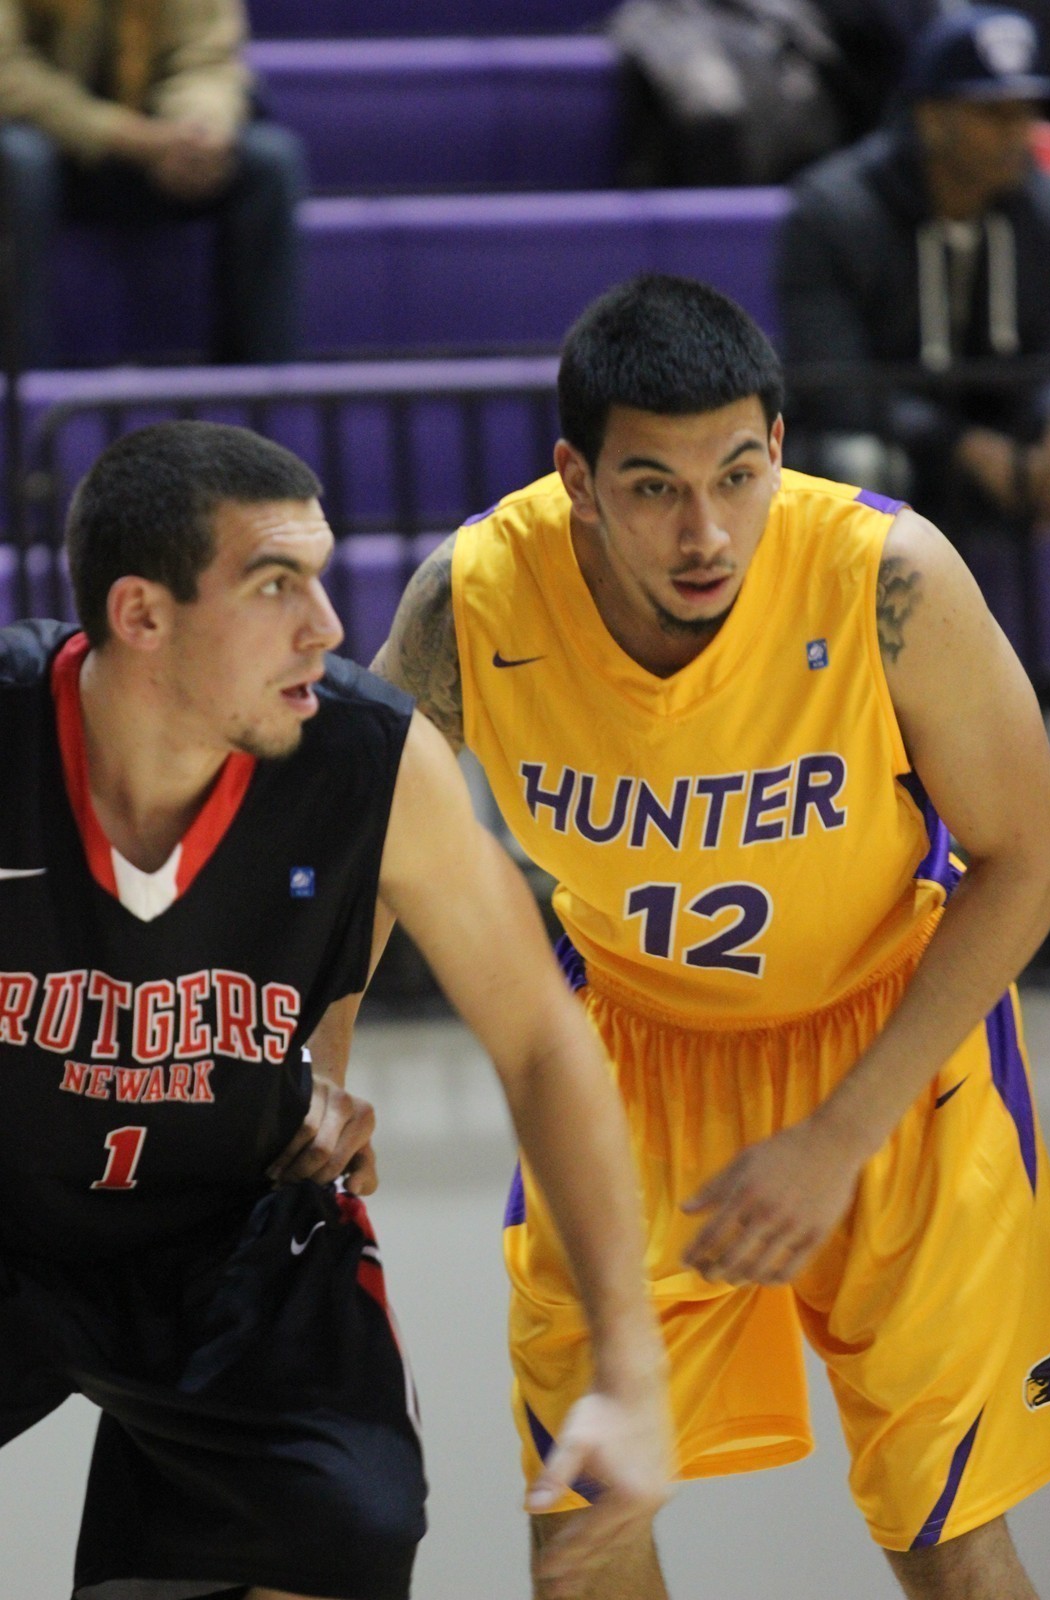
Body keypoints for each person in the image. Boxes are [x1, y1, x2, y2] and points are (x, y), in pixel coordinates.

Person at [371, 271, 1050, 1600]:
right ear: (576, 479)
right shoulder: (474, 599)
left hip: (892, 1048)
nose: (705, 531)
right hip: (628, 1061)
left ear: (778, 450)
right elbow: (357, 841)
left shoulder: (886, 578)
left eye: (736, 476)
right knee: (582, 1529)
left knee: (949, 1542)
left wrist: (836, 1135)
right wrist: (321, 1060)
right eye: (652, 488)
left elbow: (1027, 858)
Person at [0, 419, 670, 1600]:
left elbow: (538, 1039)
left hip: (236, 1226)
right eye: (275, 586)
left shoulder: (369, 756)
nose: (327, 624)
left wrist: (629, 1364)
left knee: (349, 1523)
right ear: (141, 614)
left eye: (318, 576)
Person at [775, 5, 1050, 614]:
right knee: (857, 460)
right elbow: (837, 387)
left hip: (1007, 447)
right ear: (932, 118)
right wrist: (964, 446)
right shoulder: (832, 210)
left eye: (1028, 111)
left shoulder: (1047, 212)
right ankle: (860, 651)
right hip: (890, 444)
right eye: (994, 114)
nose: (1021, 133)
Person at [0, 0, 305, 366]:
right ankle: (24, 384)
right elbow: (8, 72)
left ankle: (262, 387)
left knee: (271, 161)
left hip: (161, 148)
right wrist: (124, 137)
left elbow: (208, 61)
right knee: (18, 161)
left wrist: (197, 135)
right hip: (55, 143)